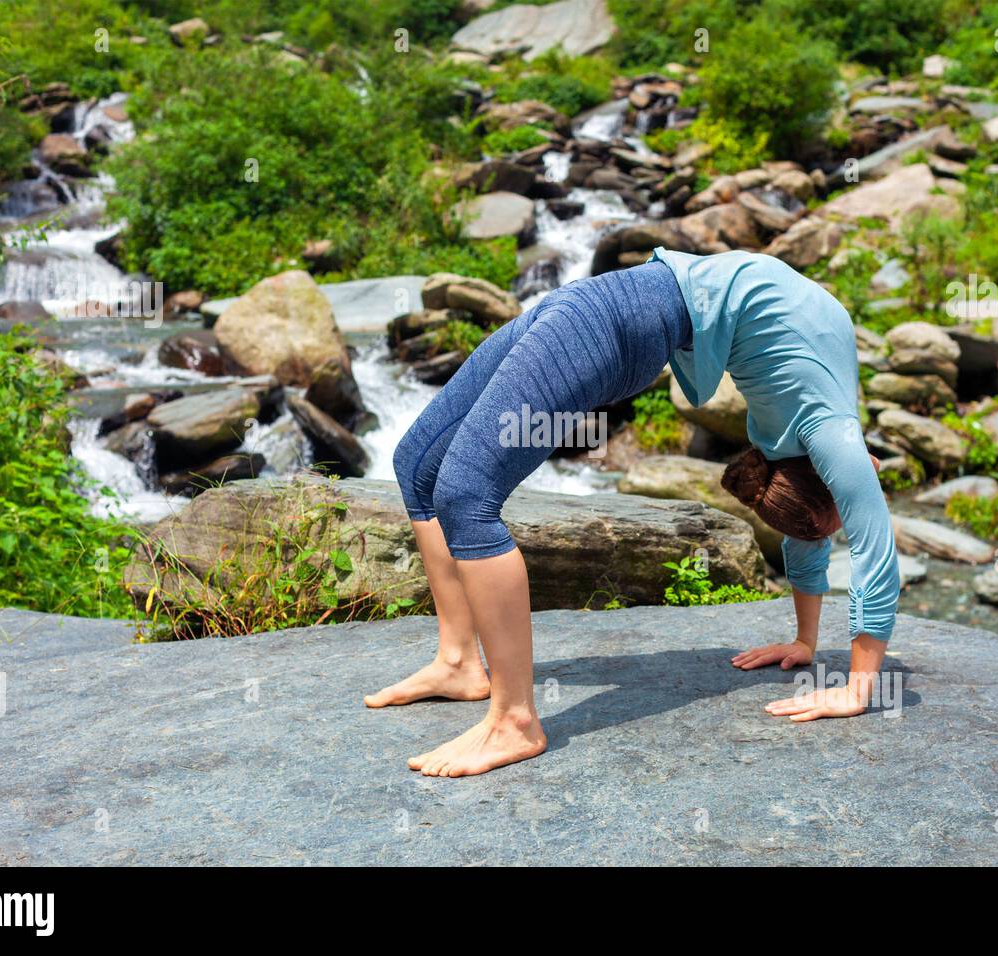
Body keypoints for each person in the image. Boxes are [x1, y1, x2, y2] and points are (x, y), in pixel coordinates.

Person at [365, 248, 901, 777]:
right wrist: (859, 686)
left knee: (464, 493)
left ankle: (514, 721)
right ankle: (459, 663)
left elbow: (808, 533)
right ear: (827, 482)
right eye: (841, 511)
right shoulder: (829, 436)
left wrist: (806, 644)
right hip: (613, 309)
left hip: (621, 312)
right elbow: (875, 546)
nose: (864, 486)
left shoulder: (799, 443)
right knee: (419, 465)